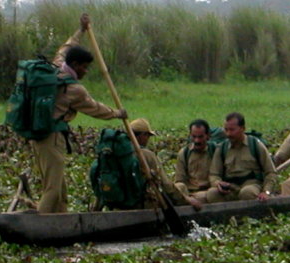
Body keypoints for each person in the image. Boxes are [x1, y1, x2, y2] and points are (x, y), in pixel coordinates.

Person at [28, 13, 127, 213]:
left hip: (36, 134)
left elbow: (66, 47)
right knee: (53, 189)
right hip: (51, 138)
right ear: (74, 66)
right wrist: (117, 113)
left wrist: (80, 30)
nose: (86, 71)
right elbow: (95, 109)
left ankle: (61, 223)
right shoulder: (74, 89)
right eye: (84, 67)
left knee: (60, 187)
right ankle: (39, 224)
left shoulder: (55, 66)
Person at [206, 112, 277, 203]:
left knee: (247, 193)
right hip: (230, 188)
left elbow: (271, 172)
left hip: (252, 185)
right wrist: (218, 183)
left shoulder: (255, 145)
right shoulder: (221, 148)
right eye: (226, 130)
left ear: (243, 129)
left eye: (232, 130)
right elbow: (214, 174)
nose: (228, 134)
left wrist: (266, 192)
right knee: (212, 193)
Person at [129, 118, 187, 209]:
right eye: (148, 136)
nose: (148, 139)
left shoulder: (118, 153)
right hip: (142, 203)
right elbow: (166, 185)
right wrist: (186, 200)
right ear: (143, 135)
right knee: (181, 188)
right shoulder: (147, 155)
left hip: (121, 202)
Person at [174, 118, 214, 208]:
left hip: (207, 192)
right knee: (178, 187)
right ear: (190, 135)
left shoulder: (215, 151)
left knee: (212, 194)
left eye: (200, 137)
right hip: (189, 192)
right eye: (194, 137)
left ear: (208, 136)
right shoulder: (184, 153)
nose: (197, 141)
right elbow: (179, 180)